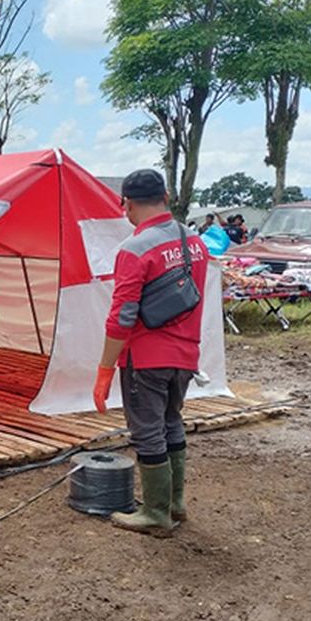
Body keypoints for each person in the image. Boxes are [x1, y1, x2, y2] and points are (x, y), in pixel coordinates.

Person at [93, 169, 210, 537]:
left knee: (147, 432)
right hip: (186, 355)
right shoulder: (194, 241)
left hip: (146, 358)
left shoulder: (134, 249)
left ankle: (156, 513)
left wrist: (105, 369)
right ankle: (175, 504)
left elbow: (122, 317)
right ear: (167, 197)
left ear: (126, 203)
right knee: (171, 422)